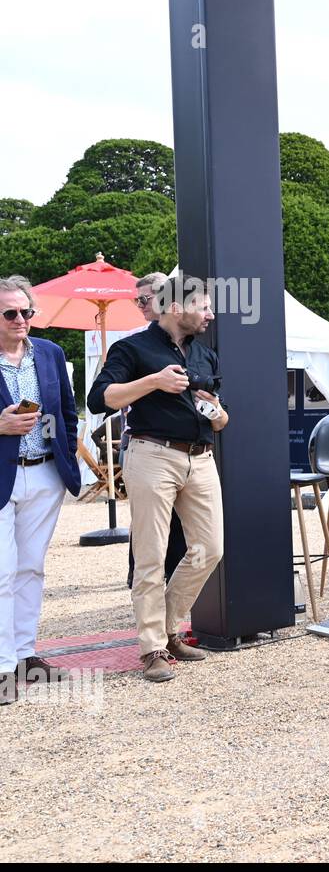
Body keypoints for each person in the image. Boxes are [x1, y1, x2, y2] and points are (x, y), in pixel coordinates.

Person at [87, 274, 228, 683]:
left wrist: (216, 411)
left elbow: (222, 418)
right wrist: (154, 381)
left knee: (210, 547)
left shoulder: (206, 355)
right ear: (174, 307)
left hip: (200, 458)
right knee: (150, 555)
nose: (210, 314)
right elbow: (100, 399)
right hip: (151, 455)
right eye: (203, 306)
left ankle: (167, 627)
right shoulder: (132, 348)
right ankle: (153, 648)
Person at [0, 276, 82, 705]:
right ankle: (2, 666)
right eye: (10, 313)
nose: (20, 320)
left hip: (45, 474)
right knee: (1, 572)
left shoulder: (50, 353)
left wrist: (66, 459)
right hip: (2, 477)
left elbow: (66, 413)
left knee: (31, 568)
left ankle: (27, 655)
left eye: (26, 312)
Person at [126, 273, 187, 590]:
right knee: (147, 525)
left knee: (185, 528)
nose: (140, 306)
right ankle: (140, 581)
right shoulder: (133, 341)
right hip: (147, 441)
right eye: (136, 300)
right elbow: (110, 395)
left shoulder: (188, 340)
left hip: (186, 446)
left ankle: (175, 589)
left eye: (144, 299)